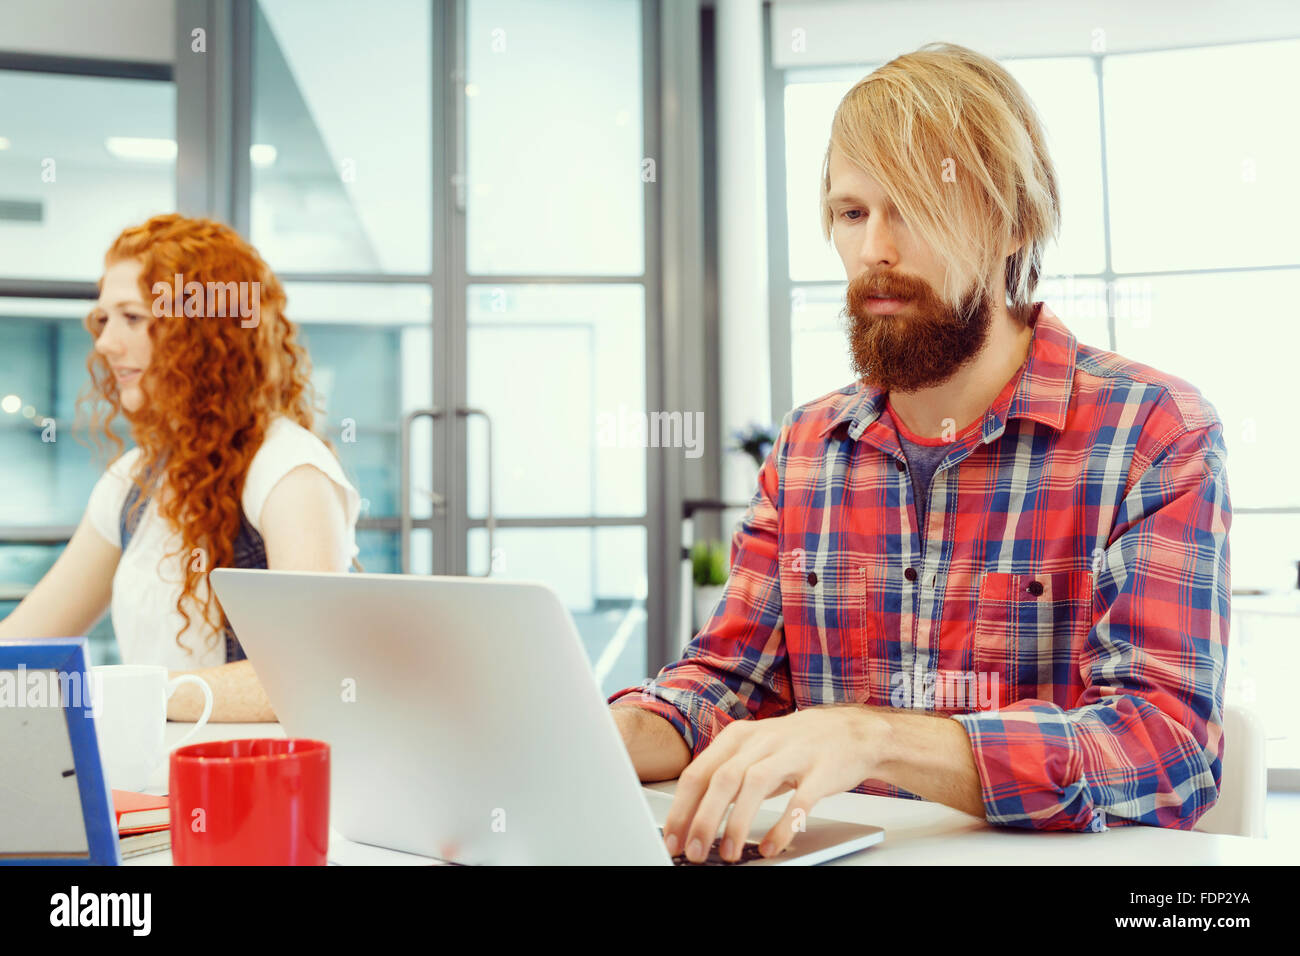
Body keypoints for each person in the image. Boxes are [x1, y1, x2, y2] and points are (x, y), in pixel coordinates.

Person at [609, 42, 1230, 862]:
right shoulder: (806, 450)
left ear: (1013, 223)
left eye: (913, 208)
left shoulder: (1152, 432)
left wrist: (874, 739)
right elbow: (726, 687)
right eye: (853, 212)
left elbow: (1165, 747)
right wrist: (577, 736)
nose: (874, 252)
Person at [0, 214, 362, 722]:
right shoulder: (131, 481)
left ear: (204, 330)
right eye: (104, 320)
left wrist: (129, 694)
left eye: (132, 317)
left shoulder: (287, 470)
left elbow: (311, 674)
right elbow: (18, 649)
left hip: (248, 791)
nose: (104, 343)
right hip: (148, 786)